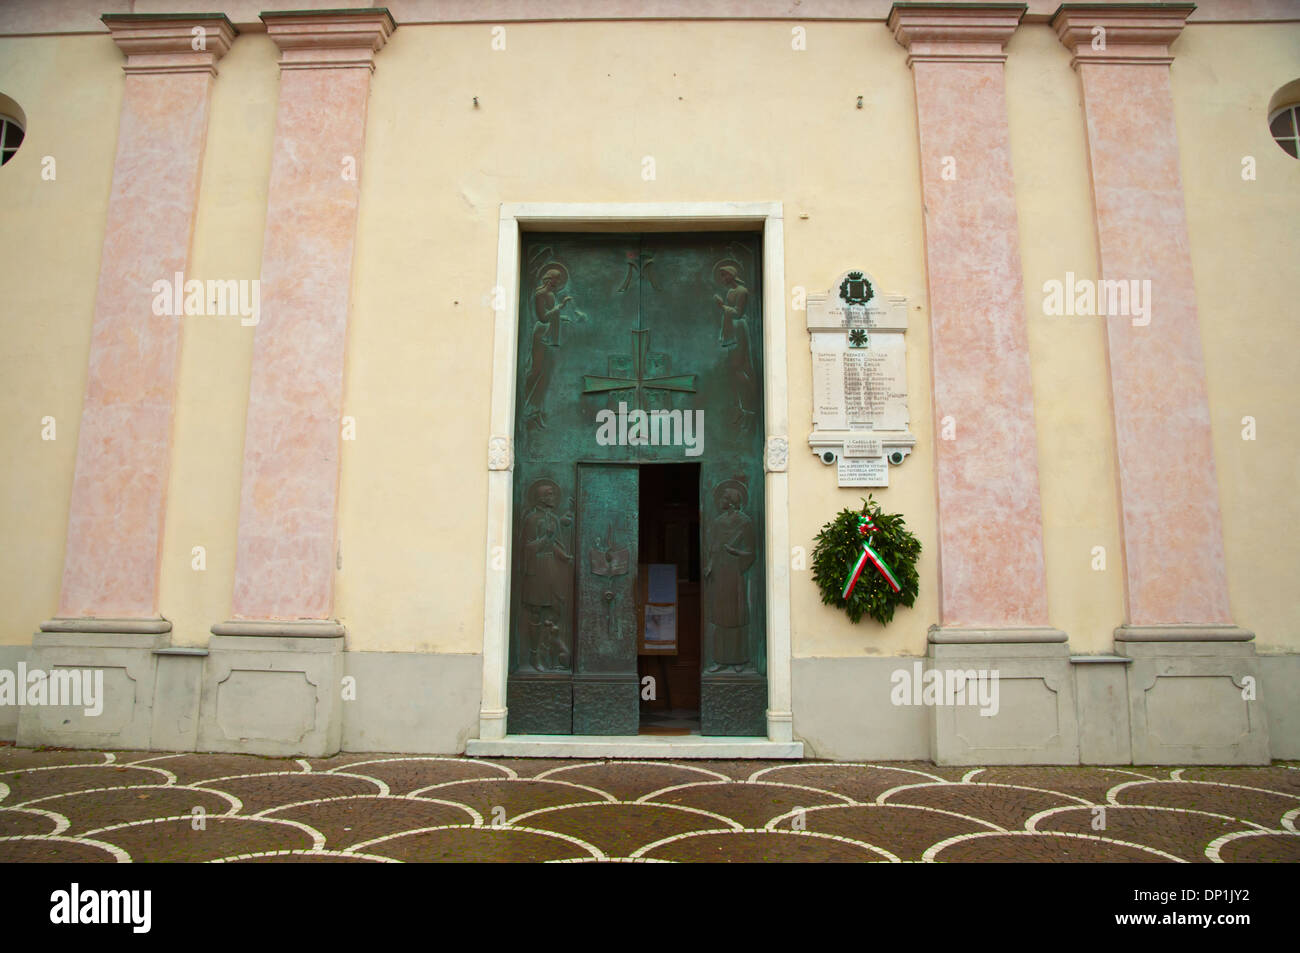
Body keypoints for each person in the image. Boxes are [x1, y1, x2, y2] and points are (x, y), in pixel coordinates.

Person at [704, 483, 755, 673]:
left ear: (732, 501)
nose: (720, 501)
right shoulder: (718, 522)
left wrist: (736, 553)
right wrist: (710, 565)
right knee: (720, 617)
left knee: (736, 616)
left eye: (724, 498)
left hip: (734, 574)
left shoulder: (745, 522)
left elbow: (751, 552)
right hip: (719, 574)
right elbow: (713, 548)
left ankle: (739, 658)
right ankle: (720, 659)